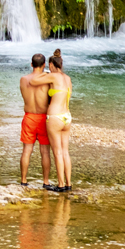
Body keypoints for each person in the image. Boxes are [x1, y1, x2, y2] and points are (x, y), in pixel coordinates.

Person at [18, 53, 54, 188]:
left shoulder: (23, 79)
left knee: (27, 150)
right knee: (45, 152)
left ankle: (23, 181)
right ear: (44, 65)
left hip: (29, 117)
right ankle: (45, 182)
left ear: (31, 64)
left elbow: (24, 96)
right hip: (44, 118)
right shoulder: (47, 79)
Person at [45, 48, 74, 193]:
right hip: (67, 117)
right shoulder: (67, 78)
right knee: (65, 152)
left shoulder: (52, 76)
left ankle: (61, 185)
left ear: (51, 65)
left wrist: (45, 74)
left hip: (55, 116)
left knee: (57, 152)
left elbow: (35, 79)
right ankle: (69, 183)